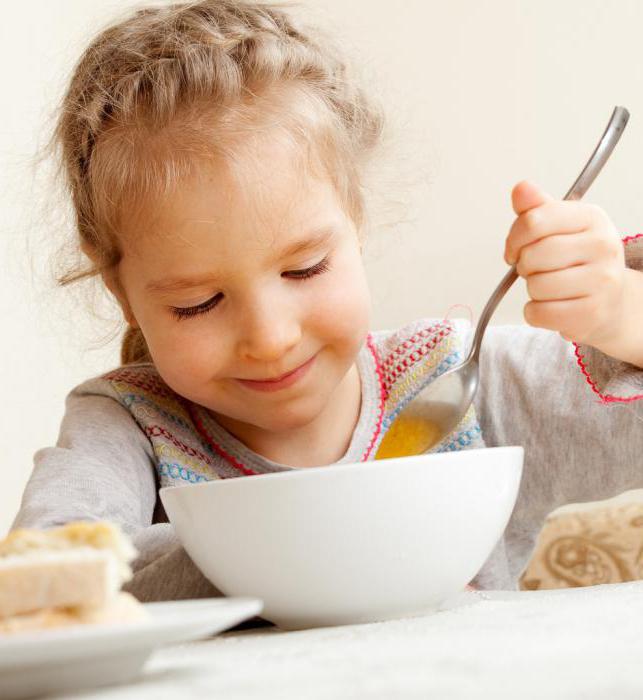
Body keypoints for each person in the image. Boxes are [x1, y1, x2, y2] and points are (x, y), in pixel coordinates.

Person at [12, 0, 643, 602]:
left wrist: (620, 312)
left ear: (356, 224)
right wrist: (314, 534)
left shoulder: (460, 385)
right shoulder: (131, 425)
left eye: (305, 268)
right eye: (198, 303)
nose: (270, 337)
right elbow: (51, 574)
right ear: (121, 294)